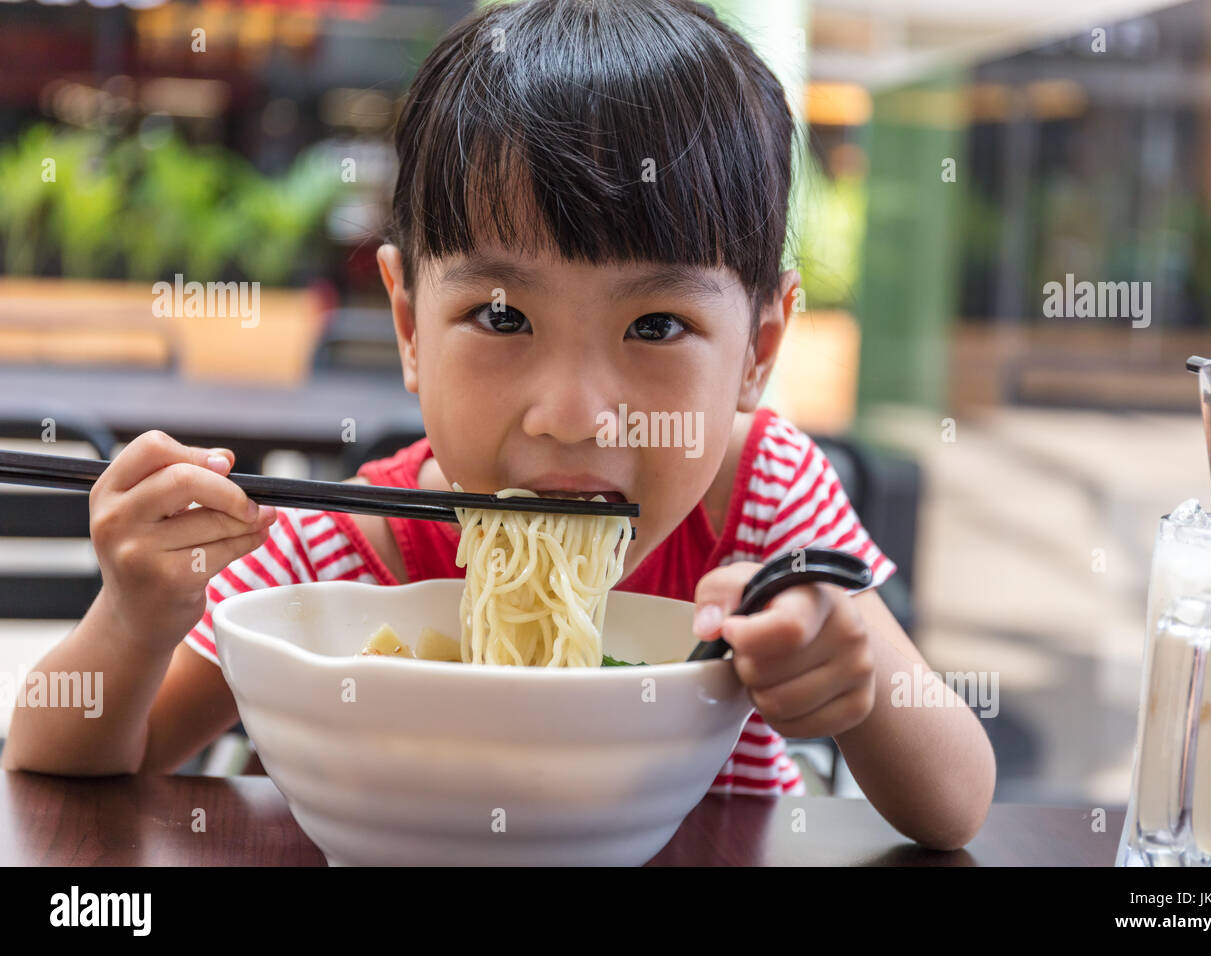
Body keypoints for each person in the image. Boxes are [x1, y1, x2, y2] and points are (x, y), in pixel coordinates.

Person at [3, 0, 994, 851]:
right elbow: (63, 758)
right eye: (501, 316)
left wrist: (845, 649)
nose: (569, 413)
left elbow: (953, 805)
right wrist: (134, 619)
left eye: (656, 324)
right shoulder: (348, 543)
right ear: (408, 324)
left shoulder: (764, 495)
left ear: (757, 349)